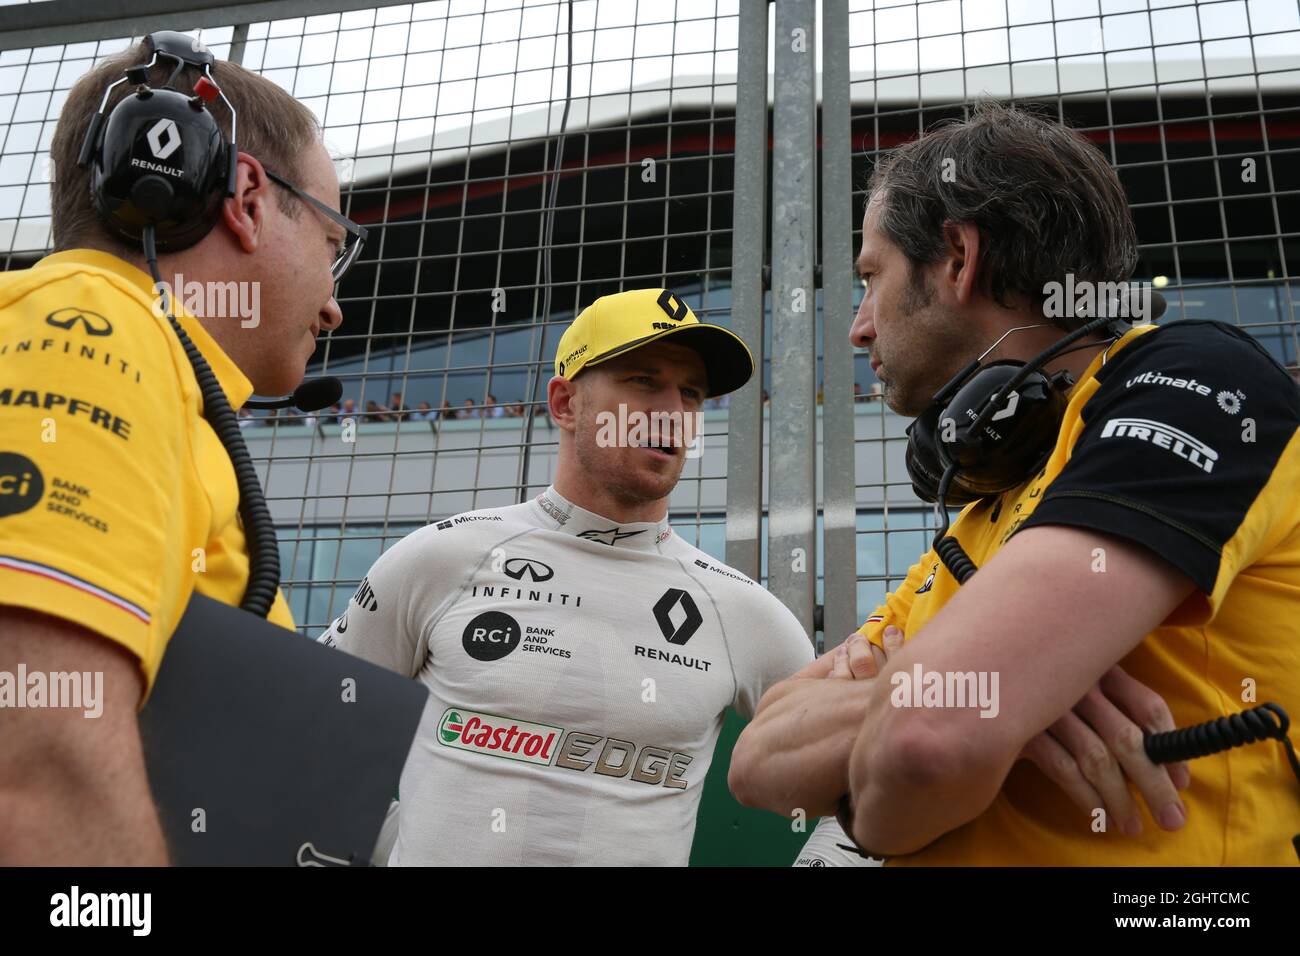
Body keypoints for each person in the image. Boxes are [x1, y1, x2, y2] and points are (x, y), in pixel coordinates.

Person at [729, 102, 1300, 865]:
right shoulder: (984, 501)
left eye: (872, 278)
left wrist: (925, 704)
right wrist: (955, 695)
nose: (859, 326)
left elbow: (928, 741)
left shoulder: (1194, 379)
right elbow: (758, 763)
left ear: (959, 258)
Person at [0, 32, 356, 864]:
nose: (334, 307)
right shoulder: (88, 328)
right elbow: (36, 769)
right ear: (246, 197)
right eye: (334, 245)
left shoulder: (148, 363)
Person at [318, 289, 814, 866]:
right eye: (643, 381)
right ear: (565, 403)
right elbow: (314, 730)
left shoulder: (742, 611)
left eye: (692, 393)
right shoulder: (441, 557)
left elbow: (867, 782)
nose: (673, 411)